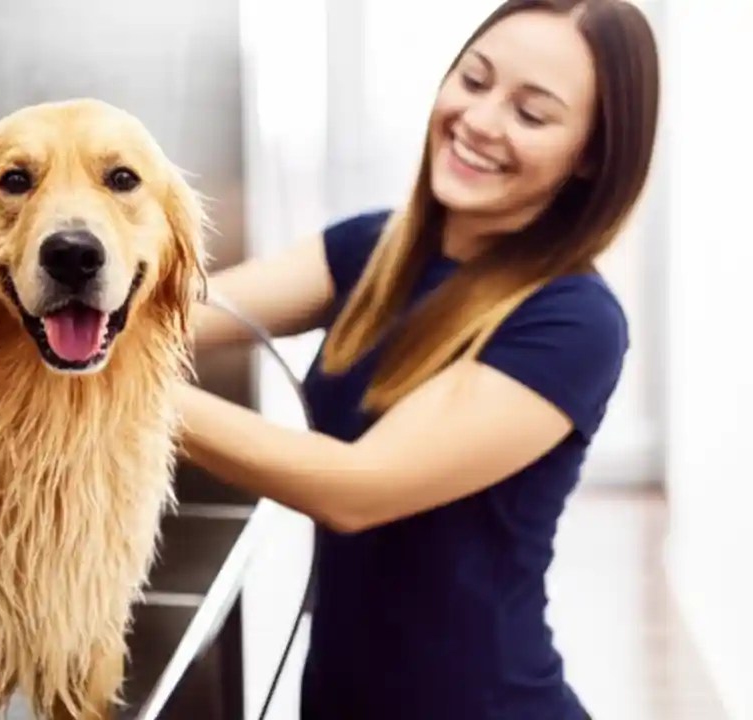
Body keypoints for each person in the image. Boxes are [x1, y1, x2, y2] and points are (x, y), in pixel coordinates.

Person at [176, 0, 659, 718]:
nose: (481, 120)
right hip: (340, 698)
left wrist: (123, 390)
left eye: (531, 114)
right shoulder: (374, 250)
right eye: (474, 79)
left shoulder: (573, 321)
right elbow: (172, 317)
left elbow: (356, 488)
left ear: (590, 154)